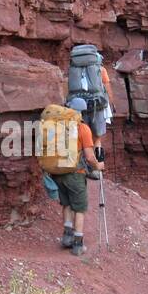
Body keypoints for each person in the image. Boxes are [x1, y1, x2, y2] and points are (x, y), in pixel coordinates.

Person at [55, 95, 104, 257]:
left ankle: (67, 236)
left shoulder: (58, 125)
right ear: (82, 112)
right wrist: (98, 166)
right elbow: (90, 157)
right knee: (80, 209)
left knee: (67, 204)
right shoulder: (82, 128)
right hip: (75, 174)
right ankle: (78, 244)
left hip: (58, 172)